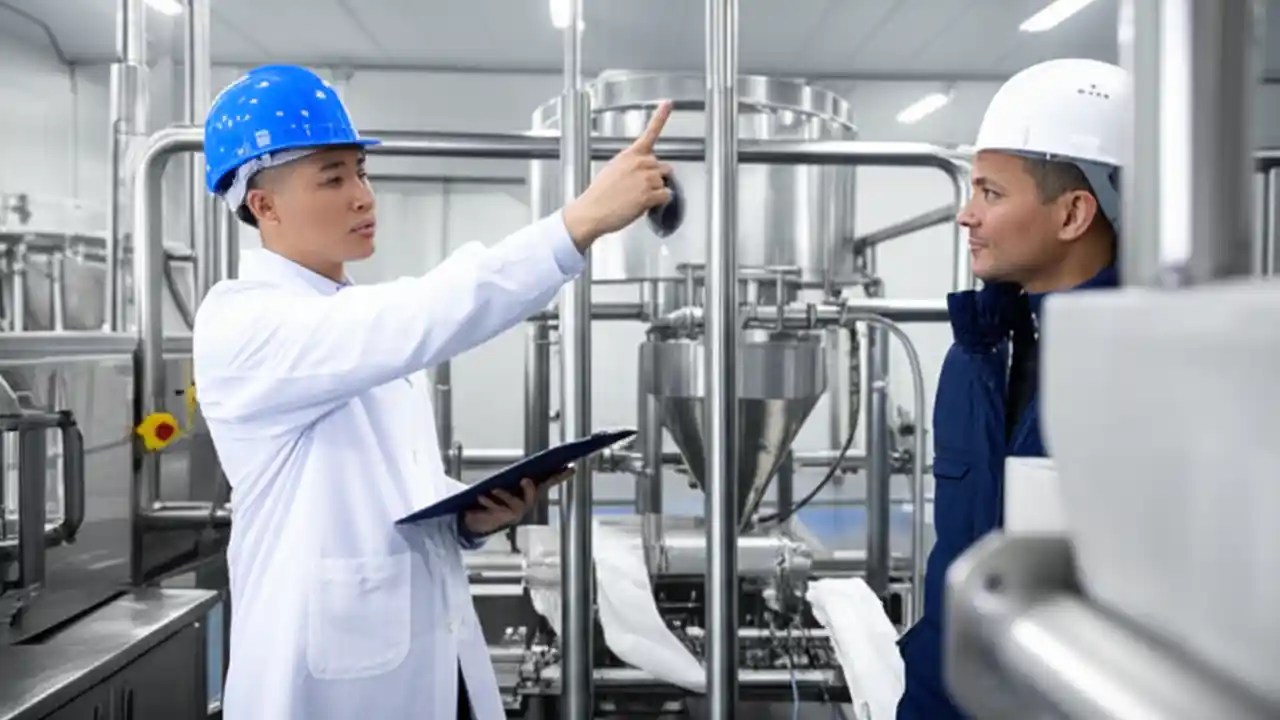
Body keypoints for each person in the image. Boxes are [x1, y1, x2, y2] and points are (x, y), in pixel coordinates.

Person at [192, 64, 675, 719]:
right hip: (329, 688)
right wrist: (580, 221)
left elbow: (381, 494)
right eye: (333, 178)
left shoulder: (349, 315)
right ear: (263, 204)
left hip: (431, 666)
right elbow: (429, 310)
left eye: (361, 171)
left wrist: (465, 520)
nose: (363, 196)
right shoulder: (244, 322)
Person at [895, 58, 1131, 719]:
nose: (966, 216)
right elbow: (957, 571)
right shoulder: (975, 354)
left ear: (1074, 213)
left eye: (991, 194)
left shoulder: (1144, 377)